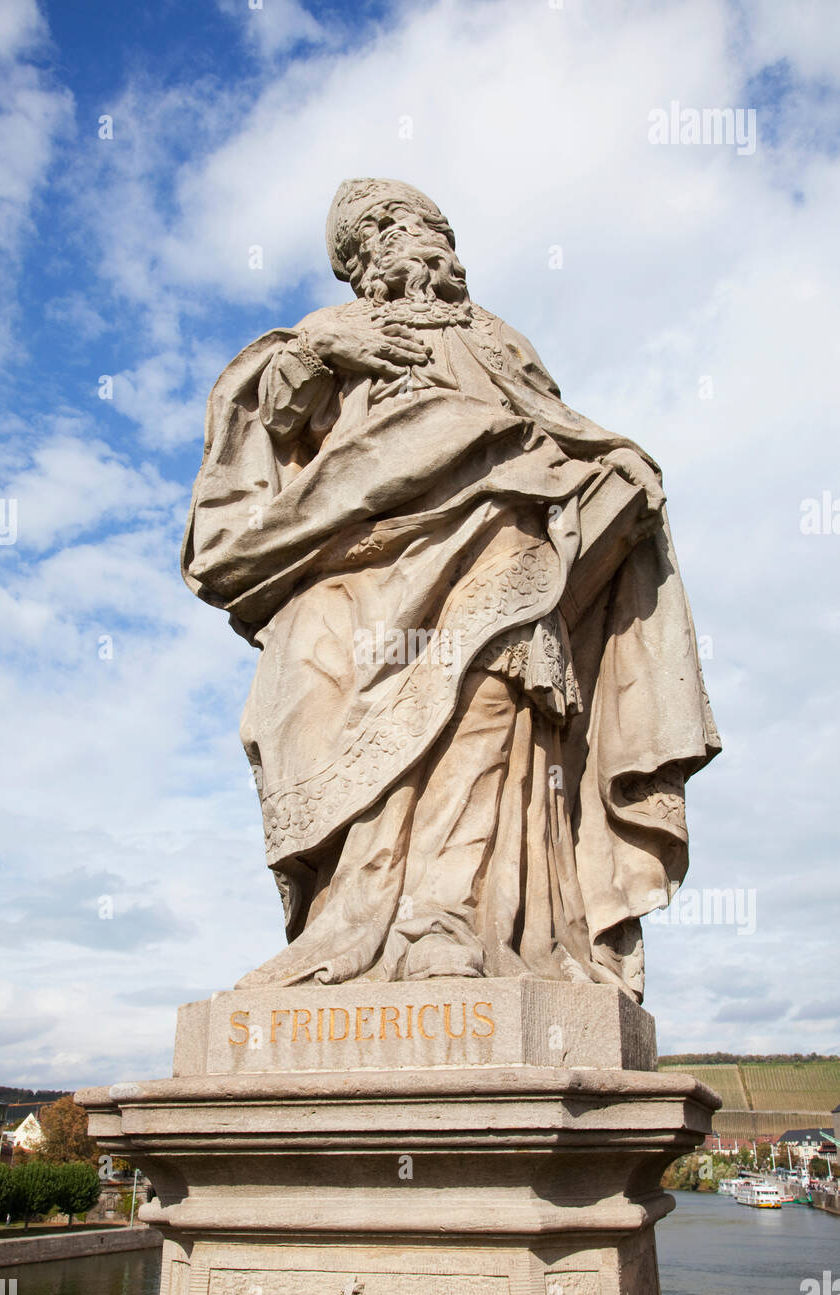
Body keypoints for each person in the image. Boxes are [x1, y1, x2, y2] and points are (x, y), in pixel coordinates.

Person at [182, 177, 720, 997]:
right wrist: (321, 356)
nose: (414, 237)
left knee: (487, 709)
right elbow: (267, 427)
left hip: (495, 543)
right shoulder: (326, 334)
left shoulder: (501, 339)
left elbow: (557, 432)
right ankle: (349, 921)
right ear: (360, 259)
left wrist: (613, 470)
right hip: (354, 558)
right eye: (386, 228)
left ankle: (449, 919)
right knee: (316, 706)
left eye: (425, 223)